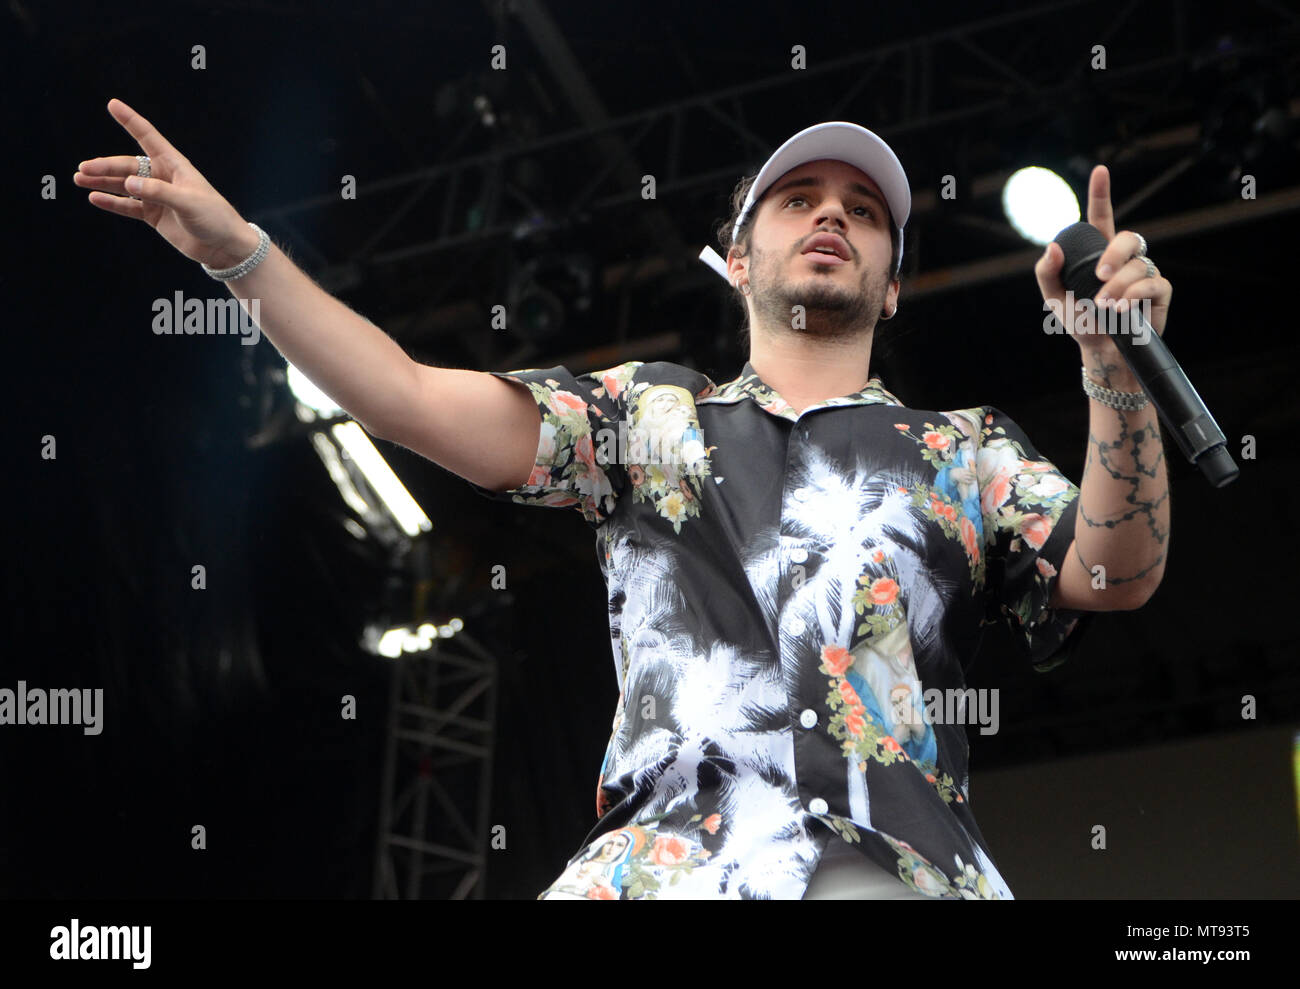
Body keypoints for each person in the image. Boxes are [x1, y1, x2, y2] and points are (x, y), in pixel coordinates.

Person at [78, 104, 1171, 900]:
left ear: (892, 283)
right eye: (797, 199)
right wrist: (246, 258)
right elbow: (407, 397)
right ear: (737, 259)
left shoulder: (961, 452)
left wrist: (1113, 371)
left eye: (862, 211)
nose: (830, 215)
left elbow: (1113, 574)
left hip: (892, 867)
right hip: (664, 865)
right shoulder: (647, 420)